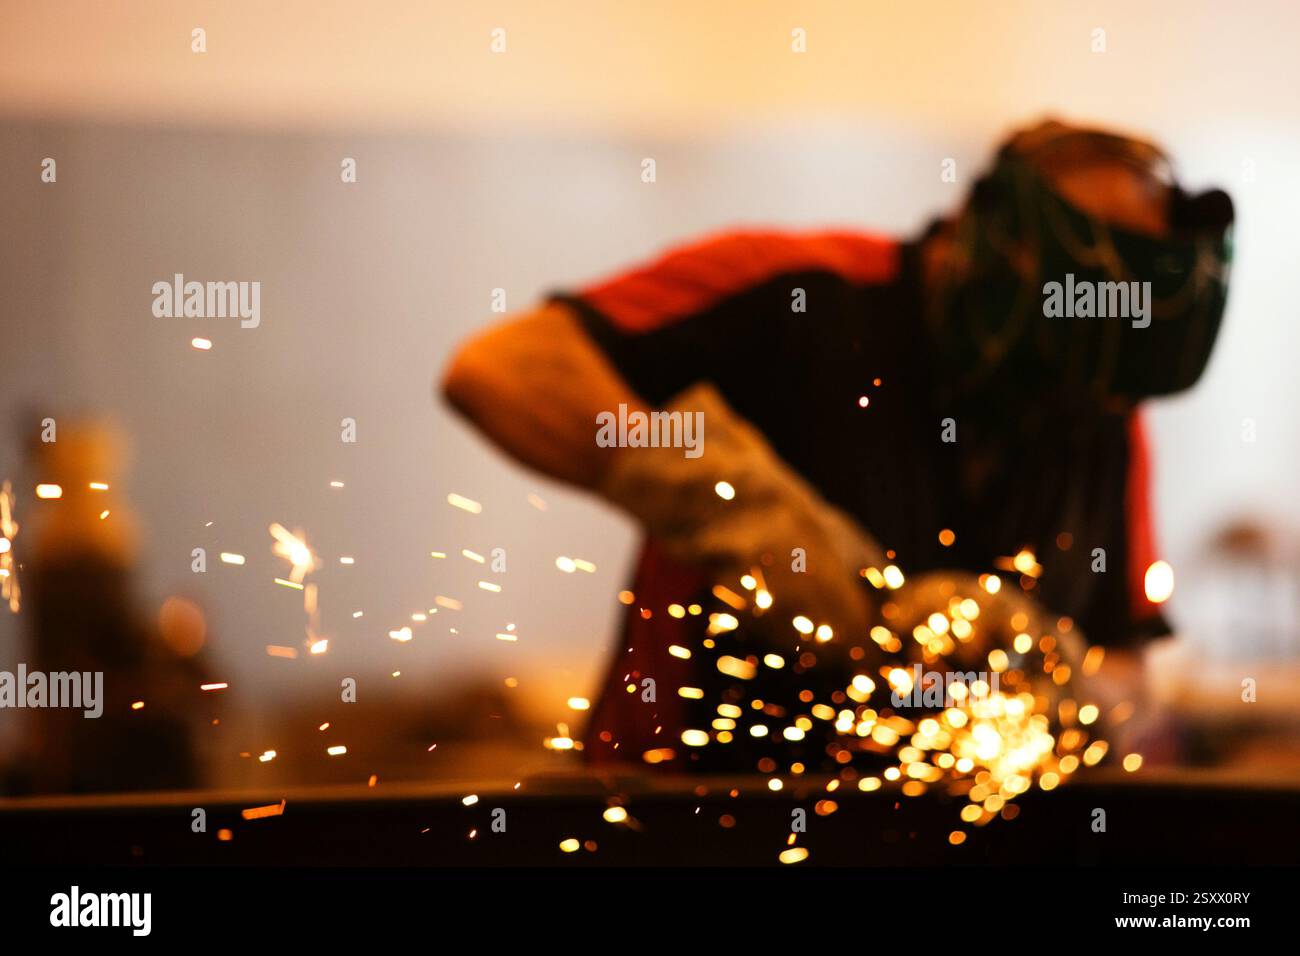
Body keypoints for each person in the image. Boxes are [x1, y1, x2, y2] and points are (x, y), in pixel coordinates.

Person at [441, 119, 1234, 769]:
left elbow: (1132, 670)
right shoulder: (799, 294)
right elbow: (504, 369)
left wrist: (1064, 688)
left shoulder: (1104, 406)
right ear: (985, 243)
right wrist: (744, 515)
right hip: (687, 823)